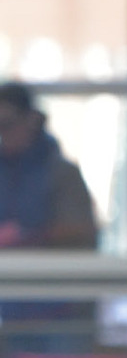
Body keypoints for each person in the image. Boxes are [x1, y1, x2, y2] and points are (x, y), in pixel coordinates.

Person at [0, 84, 98, 250]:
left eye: (7, 123)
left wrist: (27, 235)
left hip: (52, 271)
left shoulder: (63, 174)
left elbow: (82, 232)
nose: (3, 133)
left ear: (32, 119)